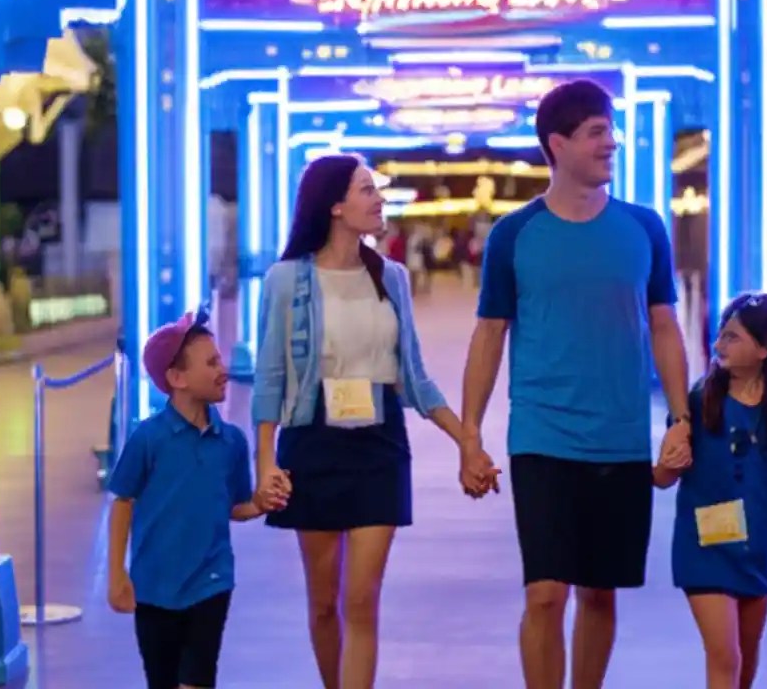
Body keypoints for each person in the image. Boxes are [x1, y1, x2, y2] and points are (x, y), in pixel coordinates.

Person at [459, 79, 692, 689]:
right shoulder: (514, 235)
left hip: (621, 438)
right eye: (596, 133)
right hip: (543, 435)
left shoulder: (644, 228)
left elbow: (664, 326)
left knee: (599, 594)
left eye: (611, 131)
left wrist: (681, 418)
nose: (610, 144)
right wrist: (469, 436)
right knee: (544, 593)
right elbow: (489, 334)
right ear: (557, 145)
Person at [251, 153, 501, 689]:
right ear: (335, 205)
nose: (379, 199)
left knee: (361, 600)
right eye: (367, 190)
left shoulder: (391, 277)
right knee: (324, 603)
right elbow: (270, 377)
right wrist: (265, 460)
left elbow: (415, 378)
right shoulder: (285, 280)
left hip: (380, 444)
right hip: (311, 442)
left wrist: (467, 442)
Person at [106, 308, 284, 689]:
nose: (223, 370)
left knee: (198, 679)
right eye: (211, 363)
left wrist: (260, 503)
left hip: (211, 582)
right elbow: (122, 502)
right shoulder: (148, 439)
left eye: (220, 360)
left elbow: (235, 505)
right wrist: (116, 573)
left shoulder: (232, 441)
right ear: (177, 378)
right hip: (154, 588)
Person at [654, 291, 767, 689]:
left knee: (745, 653)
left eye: (732, 337)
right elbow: (663, 478)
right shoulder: (698, 401)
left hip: (760, 550)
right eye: (720, 334)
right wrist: (666, 463)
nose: (719, 345)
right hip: (704, 550)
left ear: (764, 349)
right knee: (725, 655)